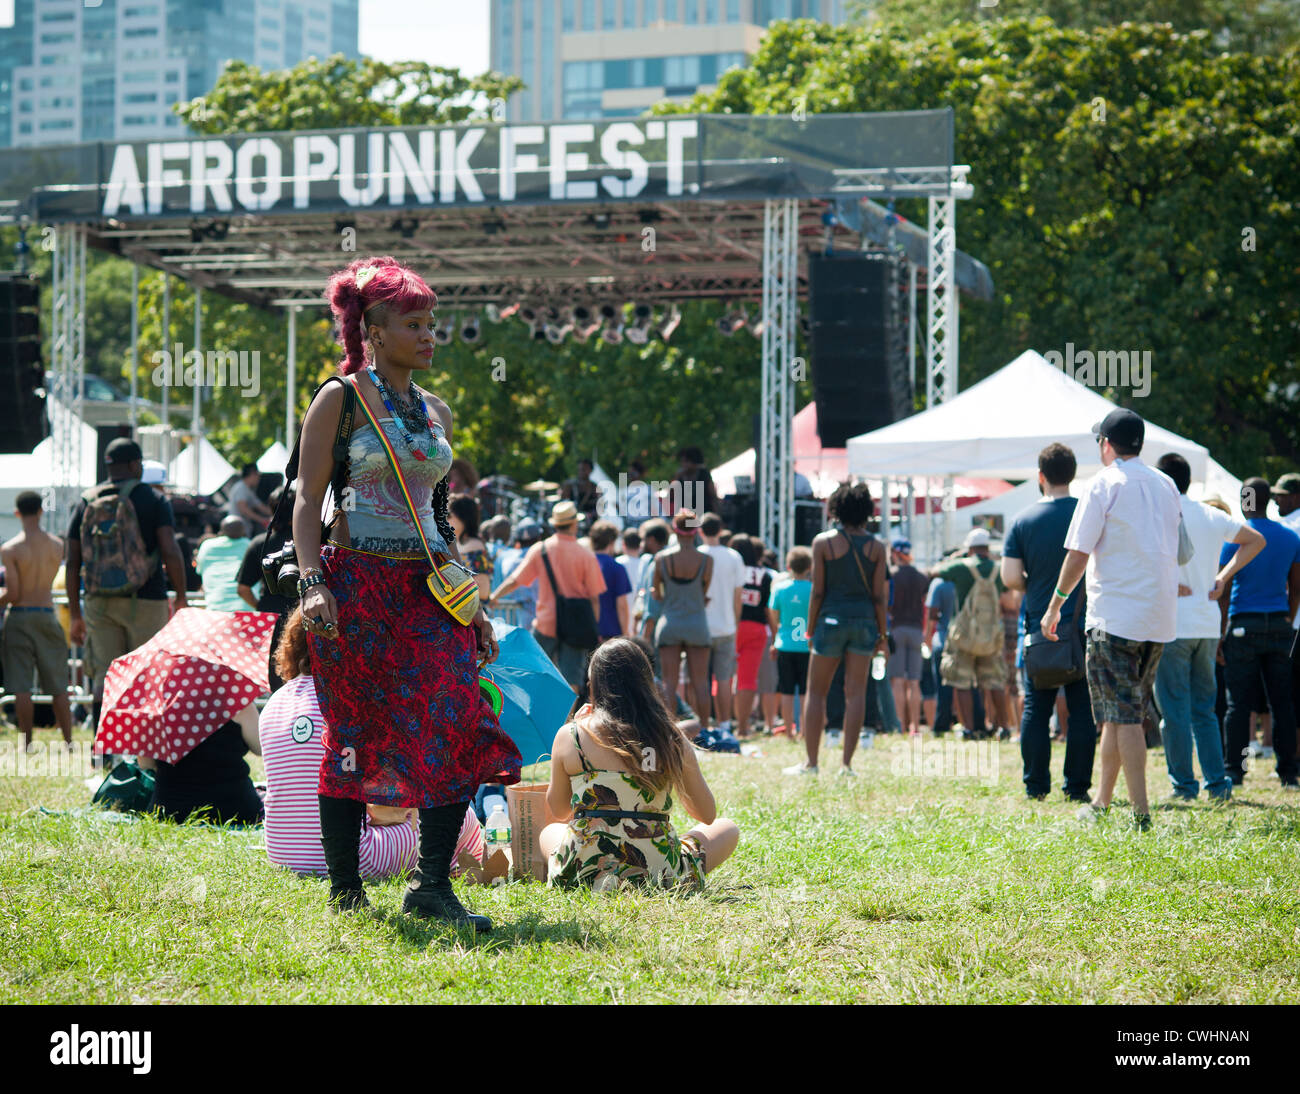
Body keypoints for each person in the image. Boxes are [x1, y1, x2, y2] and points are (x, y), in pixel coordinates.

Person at [295, 255, 521, 924]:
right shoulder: (339, 398)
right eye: (414, 324)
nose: (428, 336)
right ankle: (345, 888)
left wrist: (471, 601)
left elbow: (441, 517)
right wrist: (312, 584)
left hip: (428, 588)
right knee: (354, 732)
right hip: (354, 582)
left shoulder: (434, 409)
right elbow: (307, 501)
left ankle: (431, 887)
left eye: (432, 324)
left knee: (454, 719)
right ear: (375, 330)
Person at [259, 607, 484, 878]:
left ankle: (451, 868)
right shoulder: (357, 696)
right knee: (463, 818)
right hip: (355, 857)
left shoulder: (276, 701)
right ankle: (465, 871)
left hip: (282, 853)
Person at [1041, 409, 1183, 829]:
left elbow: (1079, 552)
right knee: (1120, 713)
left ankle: (1140, 813)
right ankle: (1102, 802)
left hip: (1115, 617)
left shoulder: (1102, 484)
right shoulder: (1166, 483)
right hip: (1158, 617)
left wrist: (1055, 605)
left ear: (1106, 443)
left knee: (1123, 717)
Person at [539, 638, 739, 888]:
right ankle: (648, 874)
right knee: (727, 828)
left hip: (585, 866)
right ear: (646, 684)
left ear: (595, 688)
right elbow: (706, 815)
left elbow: (558, 811)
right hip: (658, 869)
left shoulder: (572, 736)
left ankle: (601, 877)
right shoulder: (669, 737)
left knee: (549, 833)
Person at [1151, 454, 1264, 801]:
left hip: (1172, 624)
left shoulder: (1158, 516)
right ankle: (1217, 784)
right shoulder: (1212, 514)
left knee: (1173, 711)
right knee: (1205, 710)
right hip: (1207, 623)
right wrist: (1222, 576)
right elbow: (1256, 540)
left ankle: (1184, 786)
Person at [66, 437, 190, 750]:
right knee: (149, 676)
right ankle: (146, 752)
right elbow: (170, 550)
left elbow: (72, 562)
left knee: (104, 679)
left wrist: (76, 614)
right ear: (136, 466)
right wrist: (181, 595)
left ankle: (103, 754)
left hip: (99, 603)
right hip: (146, 599)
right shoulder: (152, 499)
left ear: (108, 465)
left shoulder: (85, 501)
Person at [1000, 443, 1096, 802]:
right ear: (1073, 474)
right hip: (1083, 627)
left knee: (1035, 709)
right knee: (1082, 712)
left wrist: (1036, 585)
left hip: (1040, 628)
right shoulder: (1087, 513)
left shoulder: (1023, 520)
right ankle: (1077, 788)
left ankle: (1036, 786)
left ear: (1040, 476)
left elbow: (1009, 577)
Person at [785, 481, 889, 776]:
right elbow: (880, 596)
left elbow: (817, 591)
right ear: (867, 511)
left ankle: (812, 763)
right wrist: (883, 635)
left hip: (830, 621)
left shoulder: (823, 542)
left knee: (816, 692)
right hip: (865, 622)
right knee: (856, 693)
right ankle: (846, 765)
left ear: (836, 509)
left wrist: (810, 628)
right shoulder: (877, 547)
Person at [1217, 477, 1300, 789]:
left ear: (1244, 501)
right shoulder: (1290, 538)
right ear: (1268, 500)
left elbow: (1223, 591)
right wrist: (1287, 621)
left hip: (1242, 625)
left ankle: (1235, 772)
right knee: (1282, 702)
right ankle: (1289, 772)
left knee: (1238, 704)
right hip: (1279, 623)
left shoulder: (1234, 539)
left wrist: (1220, 632)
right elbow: (1296, 589)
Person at [489, 500, 605, 689]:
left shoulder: (541, 549)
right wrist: (594, 627)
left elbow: (515, 580)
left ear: (554, 524)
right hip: (576, 625)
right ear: (575, 524)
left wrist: (494, 596)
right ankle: (567, 717)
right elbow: (594, 598)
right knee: (571, 678)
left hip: (545, 622)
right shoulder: (585, 555)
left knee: (533, 672)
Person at [0, 491, 72, 750]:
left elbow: (13, 593)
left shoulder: (11, 549)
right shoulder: (56, 545)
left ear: (17, 513)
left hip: (19, 616)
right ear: (41, 511)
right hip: (47, 612)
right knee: (59, 685)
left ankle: (27, 743)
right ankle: (68, 741)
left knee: (21, 685)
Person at [933, 528, 1007, 740]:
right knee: (994, 682)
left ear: (970, 548)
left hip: (964, 635)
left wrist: (956, 556)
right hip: (991, 635)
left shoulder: (961, 567)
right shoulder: (998, 569)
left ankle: (969, 728)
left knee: (961, 681)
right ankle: (1003, 727)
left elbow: (935, 571)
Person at [148, 701, 265, 825]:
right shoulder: (238, 701)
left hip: (168, 811)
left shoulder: (154, 706)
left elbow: (145, 763)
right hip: (234, 809)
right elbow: (260, 747)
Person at [650, 509, 714, 722]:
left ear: (674, 530)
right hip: (697, 623)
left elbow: (657, 594)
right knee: (701, 683)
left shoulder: (662, 559)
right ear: (696, 532)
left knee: (669, 682)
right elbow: (703, 592)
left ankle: (670, 731)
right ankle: (704, 732)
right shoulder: (706, 560)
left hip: (670, 623)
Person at [237, 483, 295, 691]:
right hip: (304, 617)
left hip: (270, 620)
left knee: (277, 681)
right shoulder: (313, 542)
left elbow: (243, 588)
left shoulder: (260, 543)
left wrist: (261, 605)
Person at [698, 511, 743, 734]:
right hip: (726, 626)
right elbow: (738, 596)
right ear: (721, 530)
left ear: (700, 531)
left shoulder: (696, 555)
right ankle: (725, 724)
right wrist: (735, 621)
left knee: (701, 680)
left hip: (701, 626)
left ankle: (703, 724)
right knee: (724, 679)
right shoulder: (734, 557)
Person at [730, 533, 774, 737]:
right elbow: (768, 608)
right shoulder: (764, 575)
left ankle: (722, 721)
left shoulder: (729, 569)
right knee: (747, 680)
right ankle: (742, 727)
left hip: (730, 626)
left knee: (722, 677)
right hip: (756, 628)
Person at [887, 538, 929, 736]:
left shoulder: (892, 576)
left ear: (895, 554)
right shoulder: (921, 577)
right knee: (914, 681)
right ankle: (915, 727)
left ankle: (900, 725)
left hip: (897, 629)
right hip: (915, 630)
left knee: (897, 680)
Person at [769, 546, 812, 736]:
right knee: (804, 692)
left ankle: (788, 731)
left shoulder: (780, 589)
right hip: (806, 645)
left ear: (788, 566)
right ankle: (803, 730)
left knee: (786, 691)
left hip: (785, 644)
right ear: (809, 567)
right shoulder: (813, 590)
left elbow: (774, 615)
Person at [489, 518, 543, 631]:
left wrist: (494, 597)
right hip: (542, 623)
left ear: (517, 540)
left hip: (512, 625)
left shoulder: (507, 559)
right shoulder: (546, 558)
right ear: (539, 538)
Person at [922, 572, 957, 735]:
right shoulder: (961, 580)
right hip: (964, 639)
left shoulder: (938, 583)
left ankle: (941, 724)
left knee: (942, 684)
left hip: (942, 639)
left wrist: (927, 637)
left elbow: (932, 613)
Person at [195, 515, 253, 613]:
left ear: (221, 532)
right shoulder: (251, 545)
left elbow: (200, 571)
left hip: (215, 607)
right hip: (248, 608)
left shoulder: (207, 546)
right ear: (244, 532)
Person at [589, 519, 633, 640]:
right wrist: (625, 635)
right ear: (612, 542)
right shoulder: (617, 568)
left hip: (586, 631)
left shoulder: (584, 565)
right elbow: (622, 605)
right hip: (612, 634)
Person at [449, 492, 494, 599]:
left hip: (472, 612)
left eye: (448, 515)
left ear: (463, 516)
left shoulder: (474, 546)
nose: (444, 519)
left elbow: (483, 591)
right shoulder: (460, 543)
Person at [633, 519, 671, 641]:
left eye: (644, 540)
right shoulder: (666, 560)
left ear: (652, 540)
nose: (641, 544)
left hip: (656, 631)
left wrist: (645, 637)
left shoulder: (657, 564)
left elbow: (653, 605)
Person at [225, 463, 272, 532]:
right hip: (236, 531)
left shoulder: (248, 489)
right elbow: (243, 509)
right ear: (253, 474)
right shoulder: (241, 488)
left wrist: (275, 514)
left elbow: (260, 506)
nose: (259, 478)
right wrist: (263, 520)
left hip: (243, 530)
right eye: (258, 475)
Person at [561, 458, 601, 523]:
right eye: (579, 469)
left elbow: (599, 507)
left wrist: (591, 515)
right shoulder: (571, 485)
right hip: (572, 520)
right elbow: (563, 501)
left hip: (589, 522)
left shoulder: (595, 487)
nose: (581, 472)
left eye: (584, 469)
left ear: (590, 470)